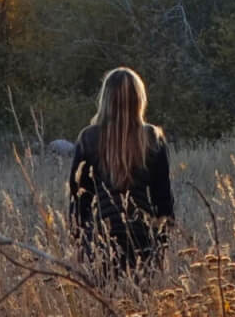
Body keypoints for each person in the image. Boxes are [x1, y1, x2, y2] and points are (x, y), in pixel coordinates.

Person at [68, 66, 174, 274]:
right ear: (139, 100)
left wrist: (79, 244)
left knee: (103, 293)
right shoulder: (153, 138)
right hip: (142, 238)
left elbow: (78, 201)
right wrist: (161, 247)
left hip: (100, 238)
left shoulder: (89, 138)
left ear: (105, 100)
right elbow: (163, 202)